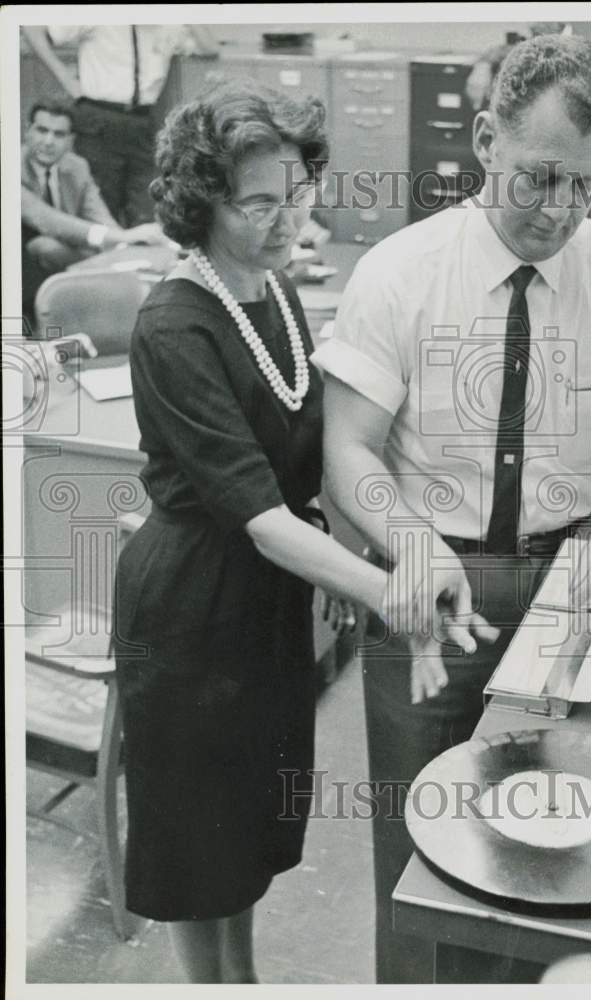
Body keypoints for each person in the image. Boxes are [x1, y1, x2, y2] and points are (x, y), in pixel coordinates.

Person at [314, 33, 591, 983]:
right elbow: (347, 449)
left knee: (554, 848)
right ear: (487, 139)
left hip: (570, 587)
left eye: (587, 183)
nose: (562, 209)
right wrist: (410, 542)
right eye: (542, 177)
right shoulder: (402, 272)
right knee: (419, 855)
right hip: (429, 589)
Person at [112, 77, 492, 984]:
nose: (288, 220)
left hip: (264, 608)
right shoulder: (173, 324)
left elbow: (318, 454)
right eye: (259, 204)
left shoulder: (275, 291)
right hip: (193, 612)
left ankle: (239, 982)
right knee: (197, 844)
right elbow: (261, 518)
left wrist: (389, 549)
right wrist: (392, 592)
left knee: (243, 834)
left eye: (299, 193)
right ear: (203, 202)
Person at [465, 23, 591, 227]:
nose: (537, 21)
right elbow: (501, 51)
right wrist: (483, 64)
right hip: (545, 162)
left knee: (584, 231)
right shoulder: (530, 48)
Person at [22, 24, 218, 226]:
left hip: (143, 120)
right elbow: (31, 29)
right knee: (100, 209)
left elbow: (209, 47)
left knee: (148, 207)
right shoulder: (97, 15)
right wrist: (66, 78)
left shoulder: (165, 25)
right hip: (99, 118)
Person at [21, 100, 169, 321]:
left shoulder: (76, 166)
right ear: (27, 131)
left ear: (71, 140)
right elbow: (46, 220)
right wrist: (122, 238)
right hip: (21, 271)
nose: (49, 141)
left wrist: (126, 244)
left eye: (59, 134)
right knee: (45, 246)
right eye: (42, 130)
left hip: (66, 258)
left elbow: (99, 215)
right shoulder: (10, 166)